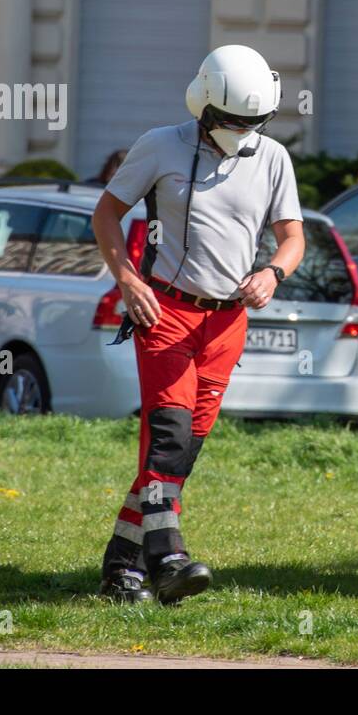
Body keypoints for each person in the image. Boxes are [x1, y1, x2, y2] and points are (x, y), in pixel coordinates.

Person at [91, 44, 305, 604]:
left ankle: (121, 567)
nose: (242, 131)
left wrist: (274, 273)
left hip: (228, 322)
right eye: (232, 121)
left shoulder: (274, 158)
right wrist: (128, 281)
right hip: (165, 310)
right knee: (169, 438)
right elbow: (106, 213)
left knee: (181, 454)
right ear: (204, 104)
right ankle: (168, 560)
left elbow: (293, 237)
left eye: (251, 122)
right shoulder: (161, 145)